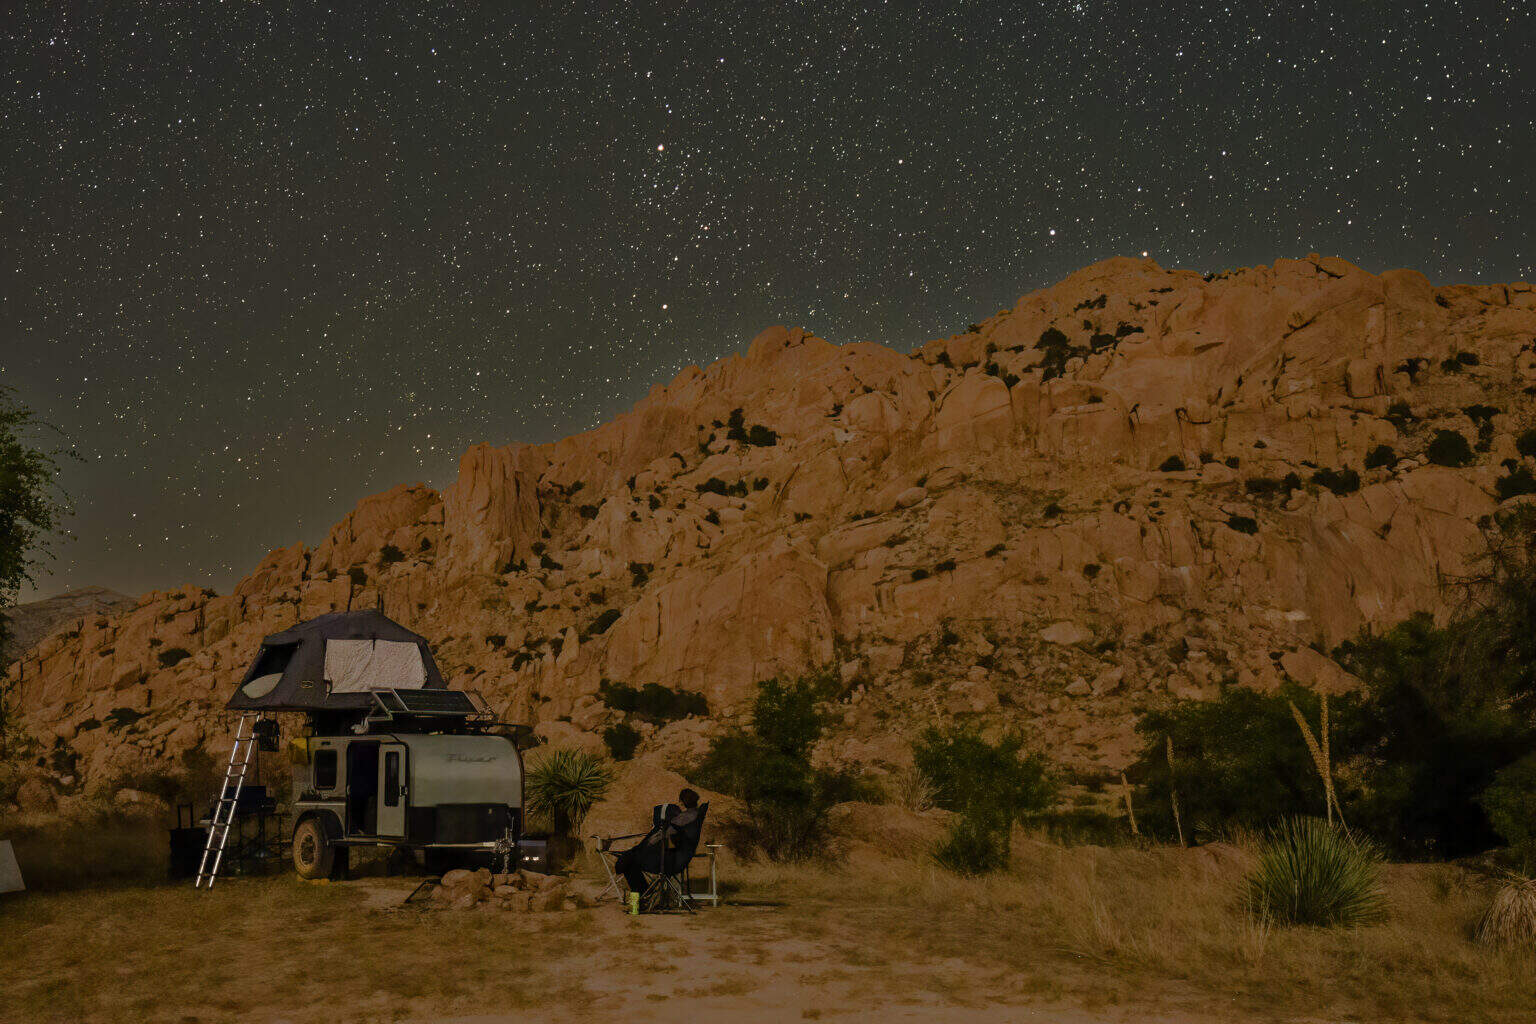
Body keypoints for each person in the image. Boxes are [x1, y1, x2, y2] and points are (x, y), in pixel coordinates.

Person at [614, 788, 701, 895]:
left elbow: (663, 835)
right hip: (679, 857)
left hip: (668, 861)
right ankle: (644, 893)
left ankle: (643, 894)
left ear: (683, 802)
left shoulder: (683, 818)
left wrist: (649, 841)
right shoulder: (696, 815)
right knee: (629, 859)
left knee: (629, 861)